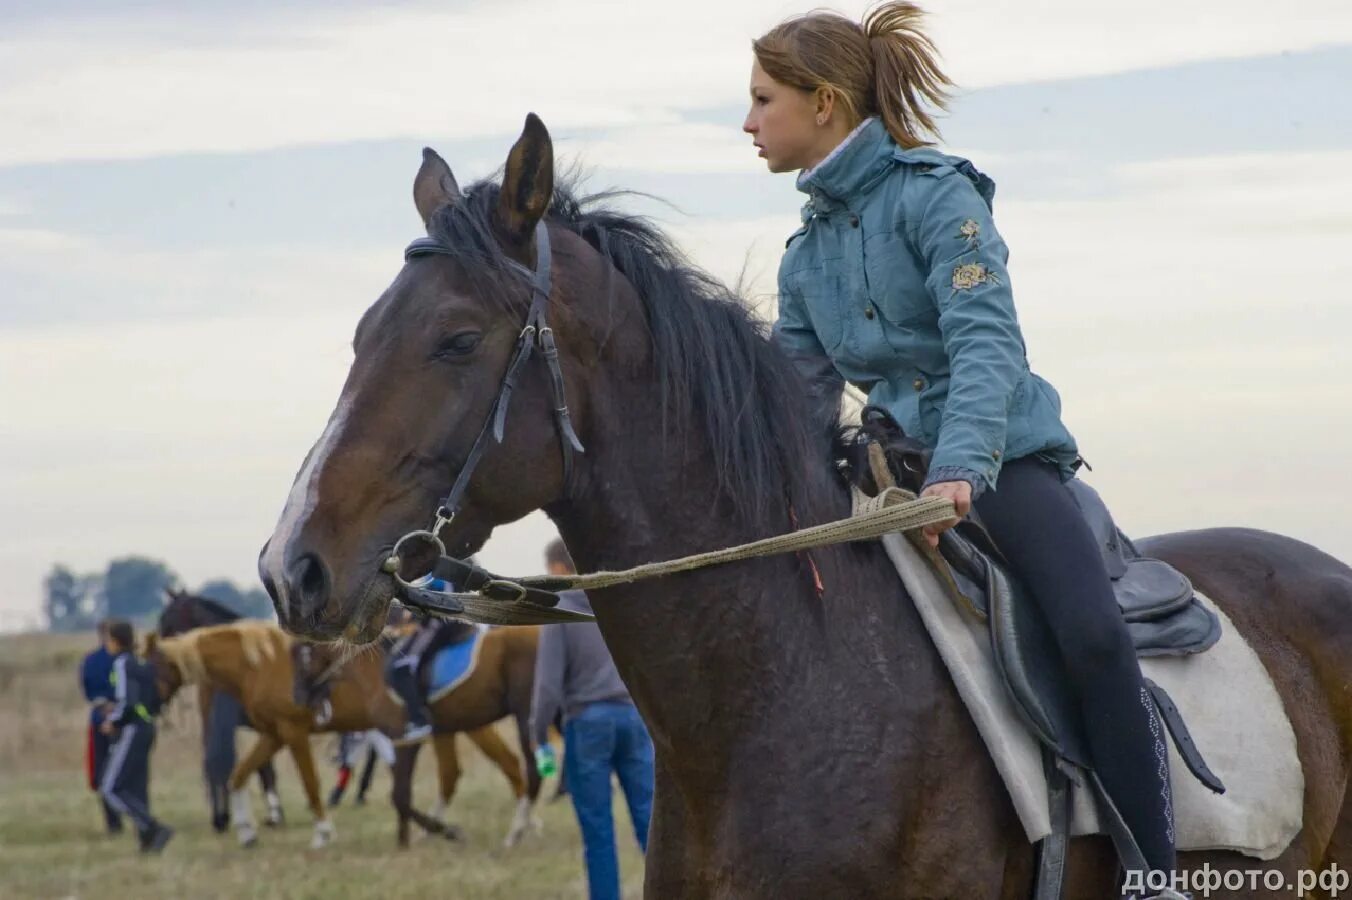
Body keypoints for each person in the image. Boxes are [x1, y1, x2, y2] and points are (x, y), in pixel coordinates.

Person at [743, 4, 1179, 896]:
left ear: (823, 103)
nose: (748, 123)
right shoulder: (802, 257)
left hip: (1001, 464)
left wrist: (957, 473)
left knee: (1094, 639)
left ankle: (1154, 875)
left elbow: (987, 345)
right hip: (886, 475)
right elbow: (797, 405)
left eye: (762, 100)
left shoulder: (937, 194)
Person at [530, 539, 654, 900]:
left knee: (598, 832)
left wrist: (539, 734)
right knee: (650, 821)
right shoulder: (619, 602)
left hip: (587, 724)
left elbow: (548, 687)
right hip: (632, 718)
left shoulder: (558, 609)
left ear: (557, 568)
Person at [99, 620, 173, 853]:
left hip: (132, 728)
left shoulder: (122, 663)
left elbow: (127, 701)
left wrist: (113, 721)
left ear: (115, 641)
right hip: (148, 727)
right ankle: (147, 841)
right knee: (137, 787)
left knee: (111, 787)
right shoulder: (143, 663)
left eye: (108, 639)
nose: (106, 643)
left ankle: (152, 828)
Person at [79, 620, 122, 835]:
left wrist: (102, 705)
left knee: (104, 770)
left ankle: (113, 823)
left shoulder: (90, 661)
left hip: (99, 717)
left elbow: (88, 691)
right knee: (116, 770)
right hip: (121, 719)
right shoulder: (125, 659)